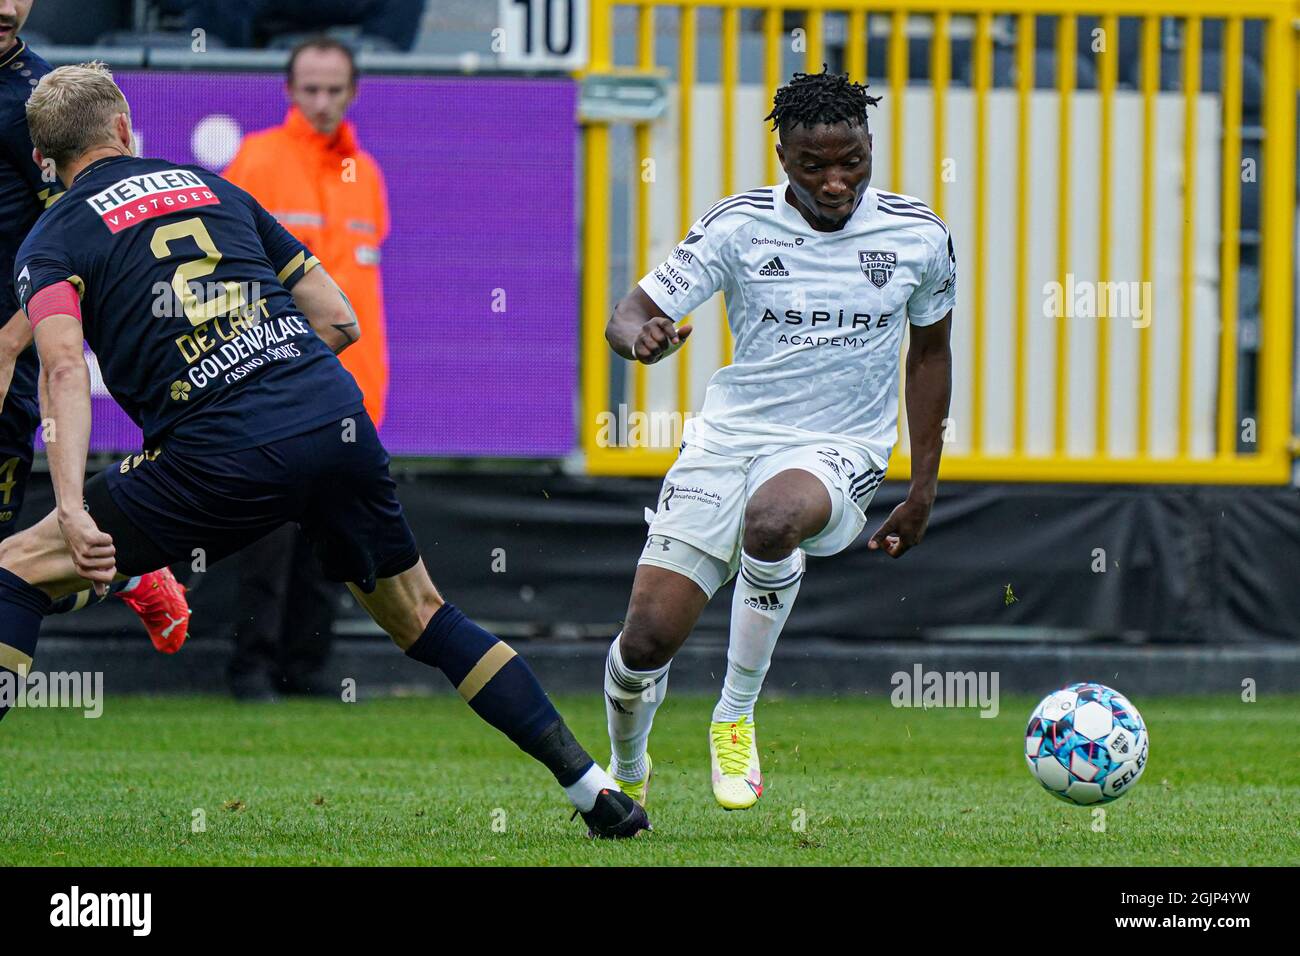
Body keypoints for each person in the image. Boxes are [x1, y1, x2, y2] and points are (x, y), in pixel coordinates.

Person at [0, 62, 648, 839]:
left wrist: (69, 506)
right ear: (124, 131)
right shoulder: (215, 189)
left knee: (18, 569)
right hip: (330, 415)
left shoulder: (52, 235)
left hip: (219, 452)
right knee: (423, 618)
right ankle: (593, 791)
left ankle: (135, 567)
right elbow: (340, 320)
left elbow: (64, 367)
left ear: (44, 162)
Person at [601, 69, 956, 810]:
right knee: (645, 642)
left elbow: (930, 354)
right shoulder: (738, 226)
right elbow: (628, 313)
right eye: (813, 166)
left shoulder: (918, 237)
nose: (835, 183)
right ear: (784, 161)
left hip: (840, 446)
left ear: (870, 145)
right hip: (728, 440)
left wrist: (922, 486)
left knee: (774, 519)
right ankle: (626, 769)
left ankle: (733, 712)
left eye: (851, 161)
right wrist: (644, 340)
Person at [0, 0, 191, 653]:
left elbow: (64, 248)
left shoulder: (39, 106)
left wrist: (7, 347)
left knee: (10, 572)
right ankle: (124, 575)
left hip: (9, 358)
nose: (5, 6)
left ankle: (119, 573)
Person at [220, 36, 388, 699]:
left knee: (333, 539)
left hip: (355, 390)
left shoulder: (366, 172)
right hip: (280, 385)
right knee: (270, 536)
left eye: (333, 89)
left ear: (353, 92)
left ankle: (305, 668)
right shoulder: (256, 160)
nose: (321, 102)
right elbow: (230, 272)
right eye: (310, 89)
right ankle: (252, 668)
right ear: (289, 92)